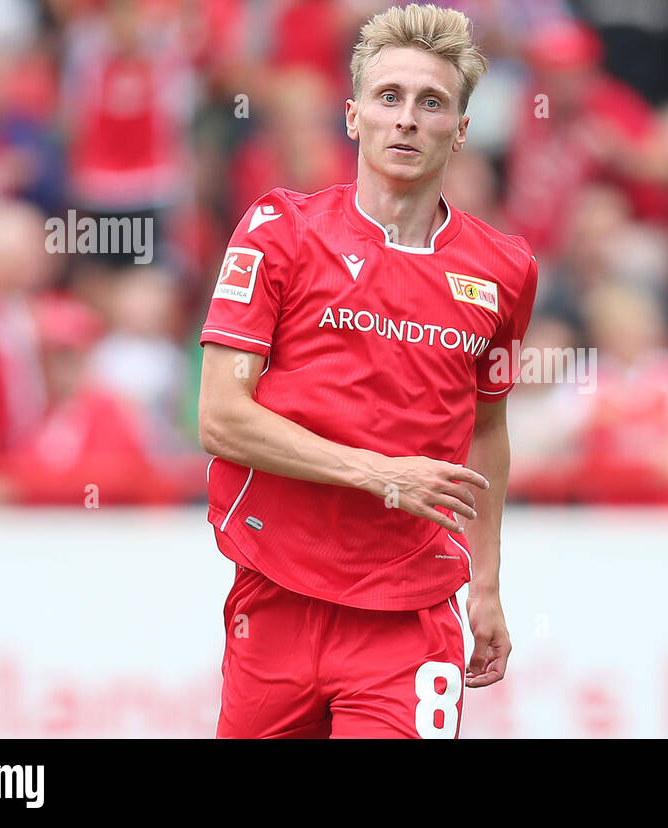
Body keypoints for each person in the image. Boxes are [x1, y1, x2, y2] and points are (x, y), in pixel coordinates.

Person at [197, 3, 537, 739]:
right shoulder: (278, 231)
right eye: (389, 98)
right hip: (277, 590)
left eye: (431, 102)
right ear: (352, 117)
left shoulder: (505, 269)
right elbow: (221, 418)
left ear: (462, 130)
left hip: (409, 620)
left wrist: (485, 584)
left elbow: (488, 426)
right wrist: (384, 474)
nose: (408, 119)